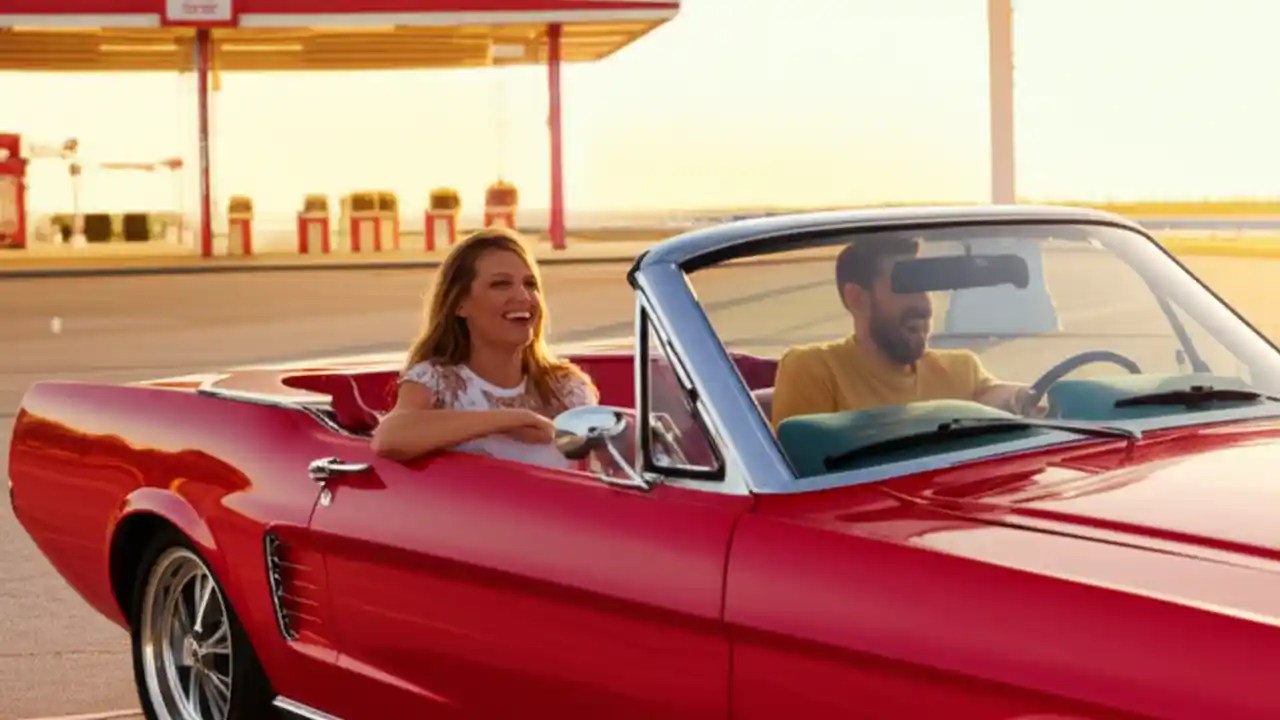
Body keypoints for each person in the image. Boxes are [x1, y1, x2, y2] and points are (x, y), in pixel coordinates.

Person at [371, 228, 599, 468]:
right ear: (460, 304)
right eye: (501, 284)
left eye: (530, 284)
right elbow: (389, 438)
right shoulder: (438, 380)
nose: (523, 296)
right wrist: (511, 420)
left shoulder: (566, 387)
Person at [769, 234, 1042, 429]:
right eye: (906, 285)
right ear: (857, 298)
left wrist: (1033, 399)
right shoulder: (814, 369)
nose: (923, 304)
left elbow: (1003, 397)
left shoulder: (962, 368)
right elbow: (804, 478)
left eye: (925, 287)